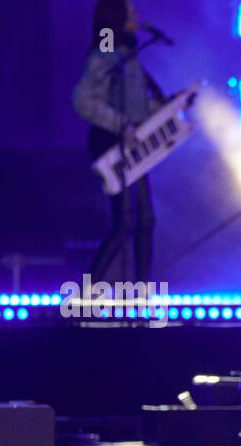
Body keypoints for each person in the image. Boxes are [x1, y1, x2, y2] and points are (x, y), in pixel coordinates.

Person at [72, 0, 164, 282]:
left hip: (135, 147)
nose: (137, 15)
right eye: (131, 11)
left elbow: (137, 107)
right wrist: (119, 124)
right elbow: (82, 100)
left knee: (145, 220)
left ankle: (143, 298)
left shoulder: (130, 56)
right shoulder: (105, 55)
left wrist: (166, 106)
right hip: (111, 144)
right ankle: (84, 298)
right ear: (118, 17)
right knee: (124, 222)